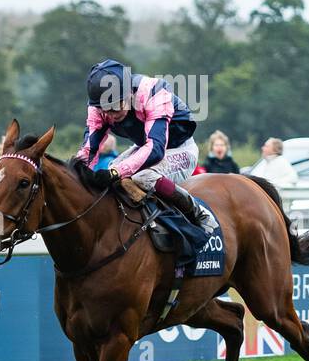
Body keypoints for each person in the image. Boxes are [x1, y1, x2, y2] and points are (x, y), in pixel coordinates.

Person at [76, 58, 218, 233]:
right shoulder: (98, 106)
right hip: (144, 147)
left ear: (129, 94)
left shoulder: (154, 92)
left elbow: (156, 149)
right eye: (105, 109)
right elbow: (89, 150)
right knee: (111, 172)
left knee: (142, 177)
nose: (110, 115)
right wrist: (75, 172)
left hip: (180, 149)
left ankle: (199, 213)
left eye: (115, 107)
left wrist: (115, 172)